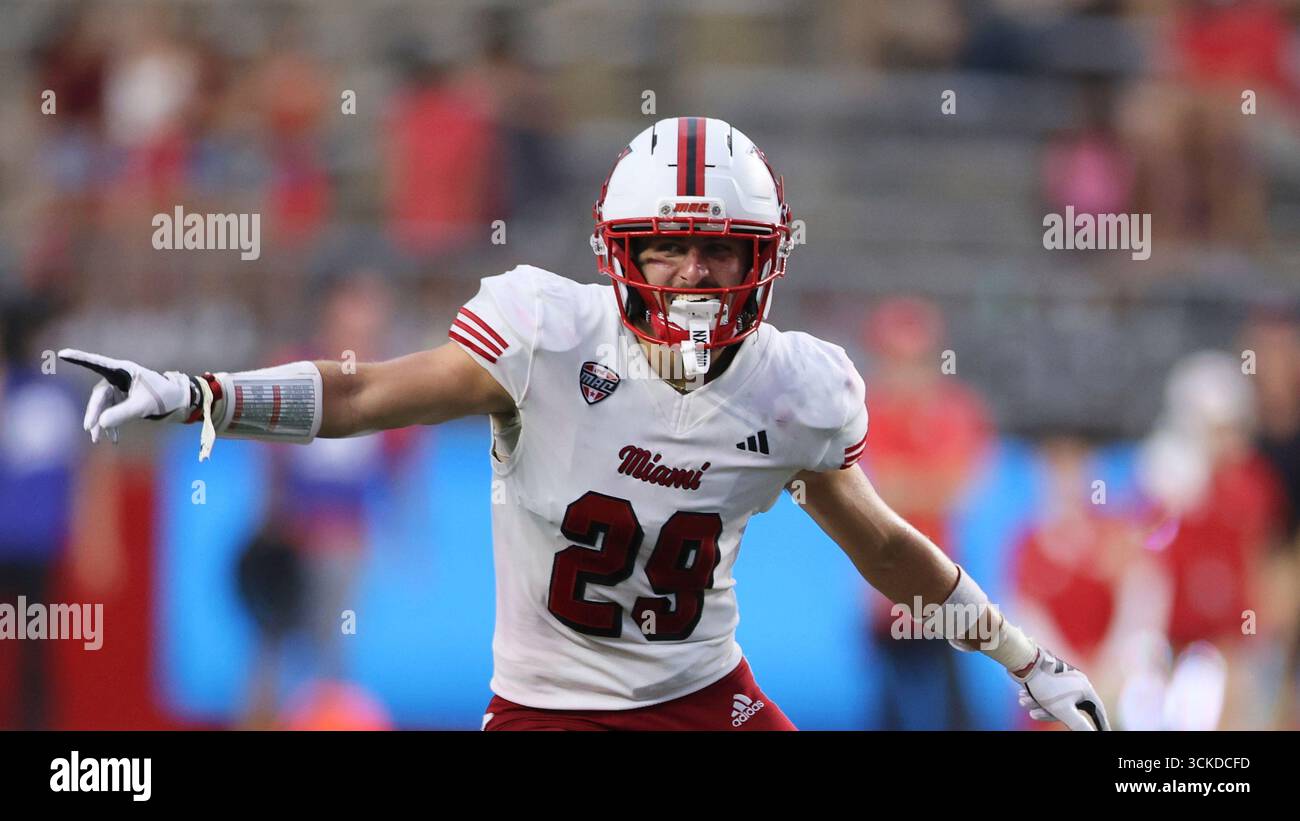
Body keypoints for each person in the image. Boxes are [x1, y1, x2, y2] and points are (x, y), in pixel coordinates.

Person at [57, 117, 1107, 731]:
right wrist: (202, 393)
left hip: (707, 698)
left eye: (722, 251)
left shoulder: (799, 387)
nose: (694, 274)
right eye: (667, 249)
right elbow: (369, 393)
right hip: (546, 713)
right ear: (620, 254)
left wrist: (1026, 656)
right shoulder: (545, 334)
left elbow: (881, 541)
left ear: (764, 260)